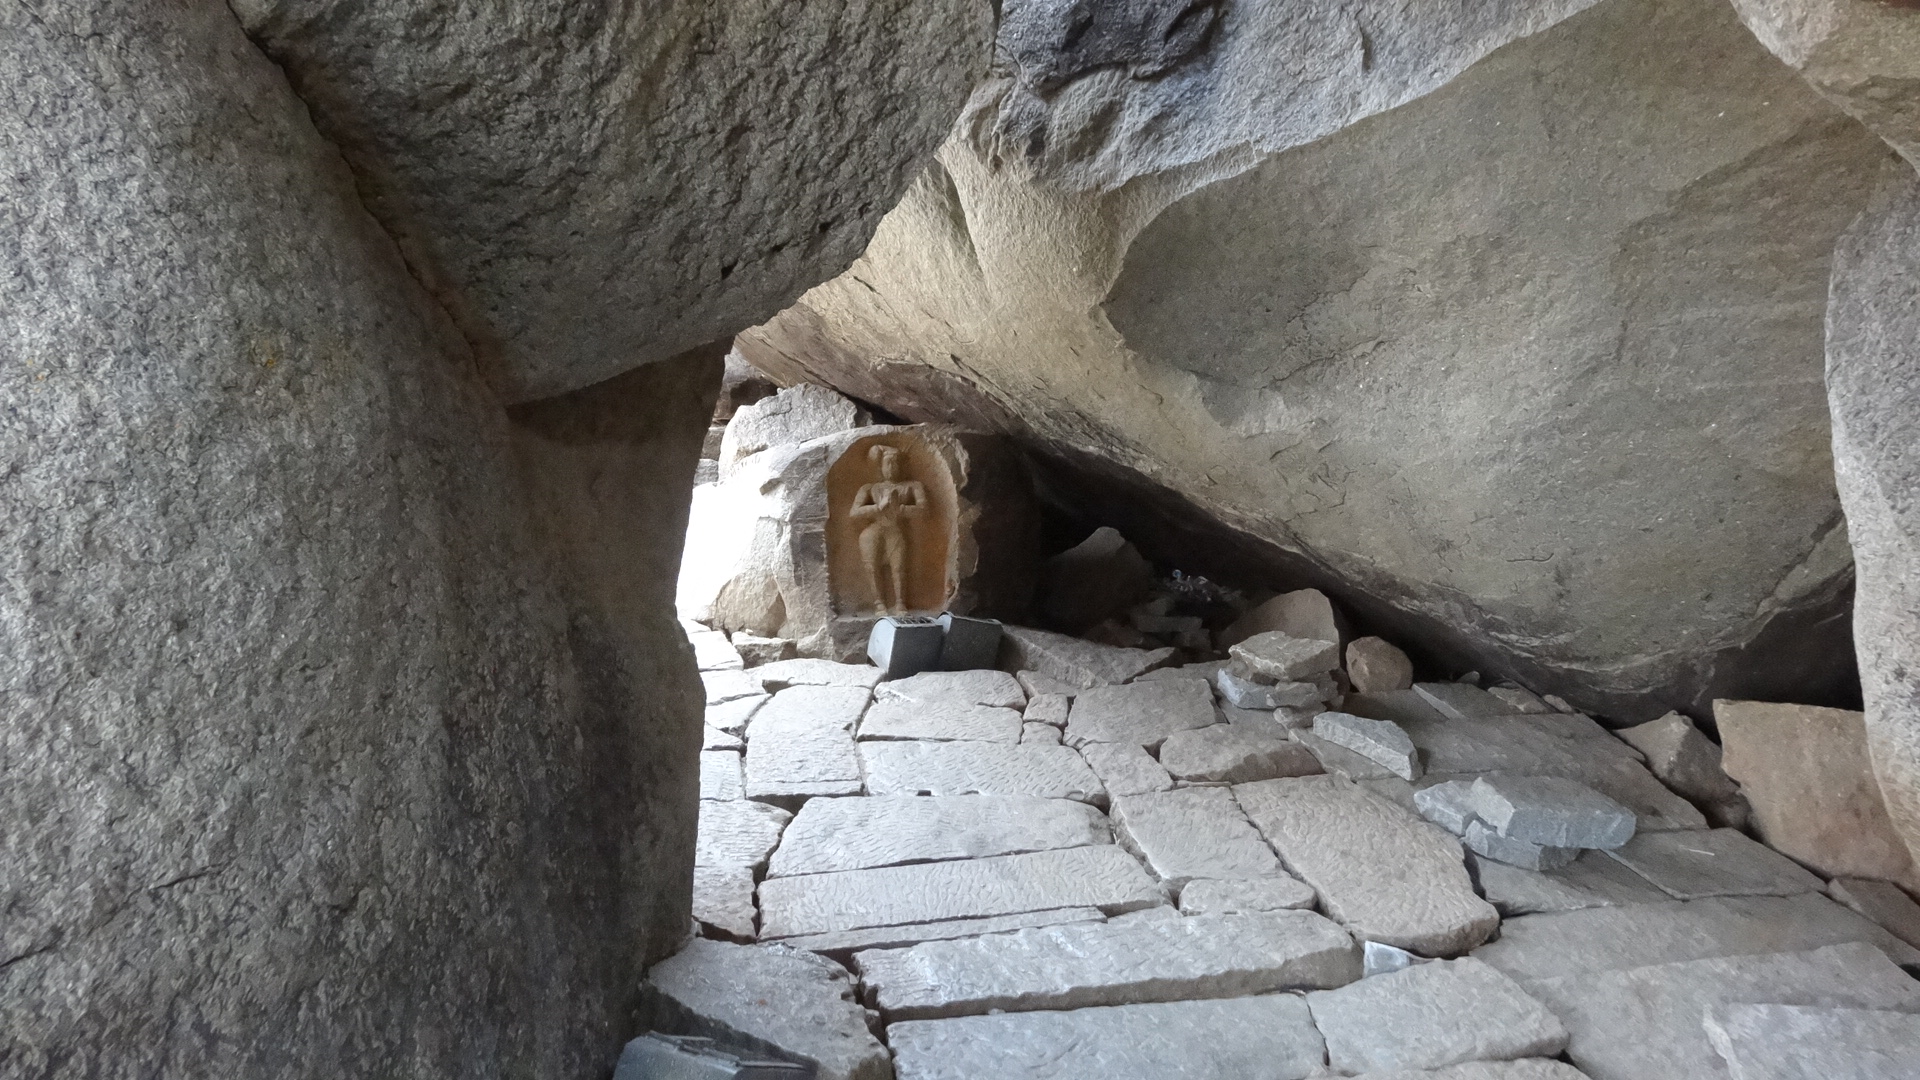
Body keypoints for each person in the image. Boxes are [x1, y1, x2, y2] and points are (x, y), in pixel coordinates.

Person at [849, 444, 927, 613]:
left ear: (902, 466)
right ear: (881, 467)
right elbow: (854, 513)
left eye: (895, 464)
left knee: (898, 567)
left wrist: (901, 509)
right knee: (872, 566)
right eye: (888, 464)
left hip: (895, 530)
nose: (891, 468)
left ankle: (900, 602)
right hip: (874, 531)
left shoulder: (912, 486)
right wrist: (878, 507)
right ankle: (879, 603)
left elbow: (923, 509)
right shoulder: (870, 488)